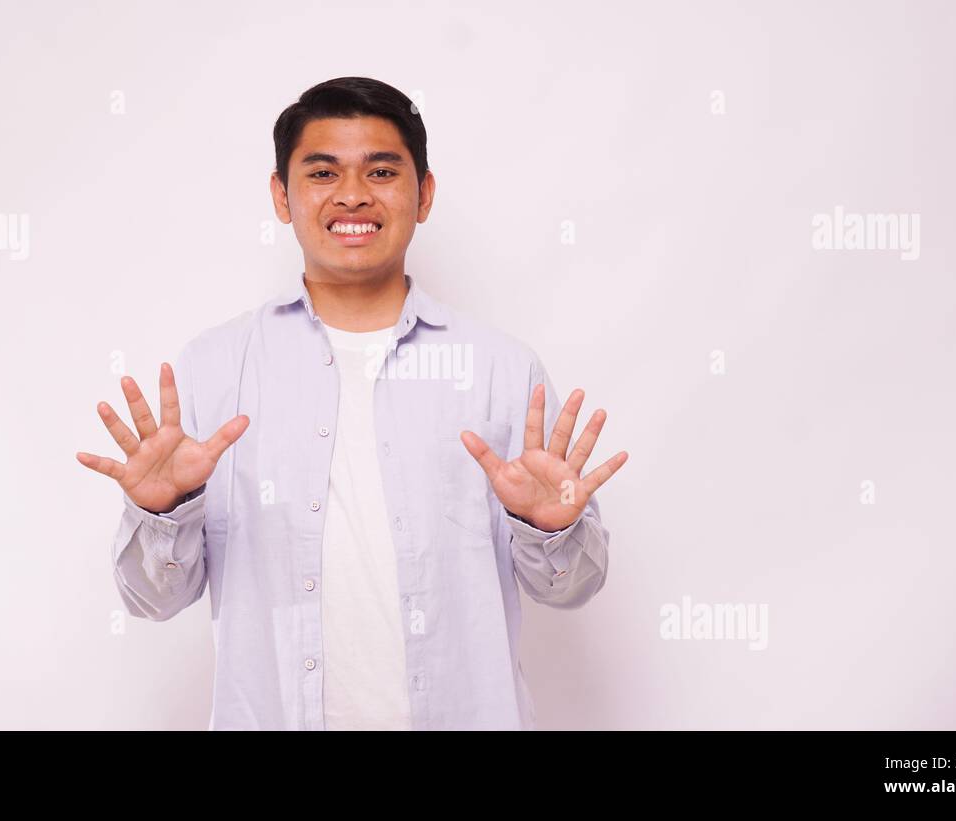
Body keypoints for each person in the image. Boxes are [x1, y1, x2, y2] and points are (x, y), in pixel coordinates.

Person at [76, 76, 628, 730]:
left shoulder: (500, 369)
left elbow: (571, 587)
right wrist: (159, 508)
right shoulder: (216, 368)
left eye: (383, 170)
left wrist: (551, 525)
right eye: (322, 172)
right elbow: (152, 598)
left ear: (423, 194)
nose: (353, 195)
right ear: (281, 196)